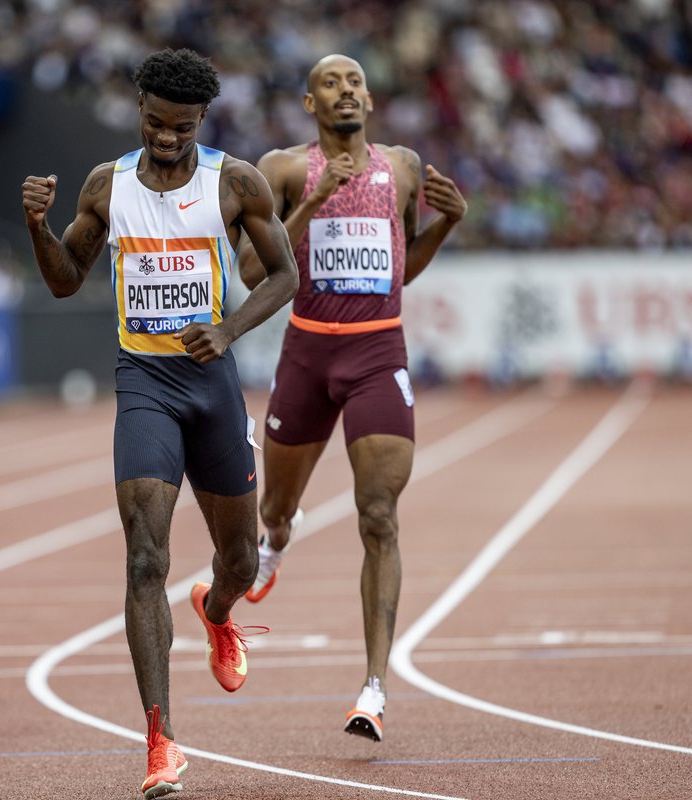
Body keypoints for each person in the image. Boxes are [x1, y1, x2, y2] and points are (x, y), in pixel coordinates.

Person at [21, 48, 298, 800]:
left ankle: (217, 611)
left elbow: (284, 275)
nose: (166, 137)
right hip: (143, 383)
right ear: (138, 110)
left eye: (180, 127)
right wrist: (39, 228)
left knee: (239, 559)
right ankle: (160, 740)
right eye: (153, 123)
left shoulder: (232, 181)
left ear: (201, 120)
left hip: (212, 385)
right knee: (146, 557)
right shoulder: (106, 187)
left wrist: (231, 330)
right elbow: (64, 279)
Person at [238, 54, 467, 743]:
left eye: (358, 82)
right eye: (333, 83)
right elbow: (251, 271)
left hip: (376, 354)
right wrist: (311, 200)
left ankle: (373, 687)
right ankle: (278, 538)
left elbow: (402, 268)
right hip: (307, 353)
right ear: (310, 102)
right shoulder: (280, 170)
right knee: (273, 508)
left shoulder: (401, 168)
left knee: (378, 515)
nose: (349, 91)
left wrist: (446, 225)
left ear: (370, 98)